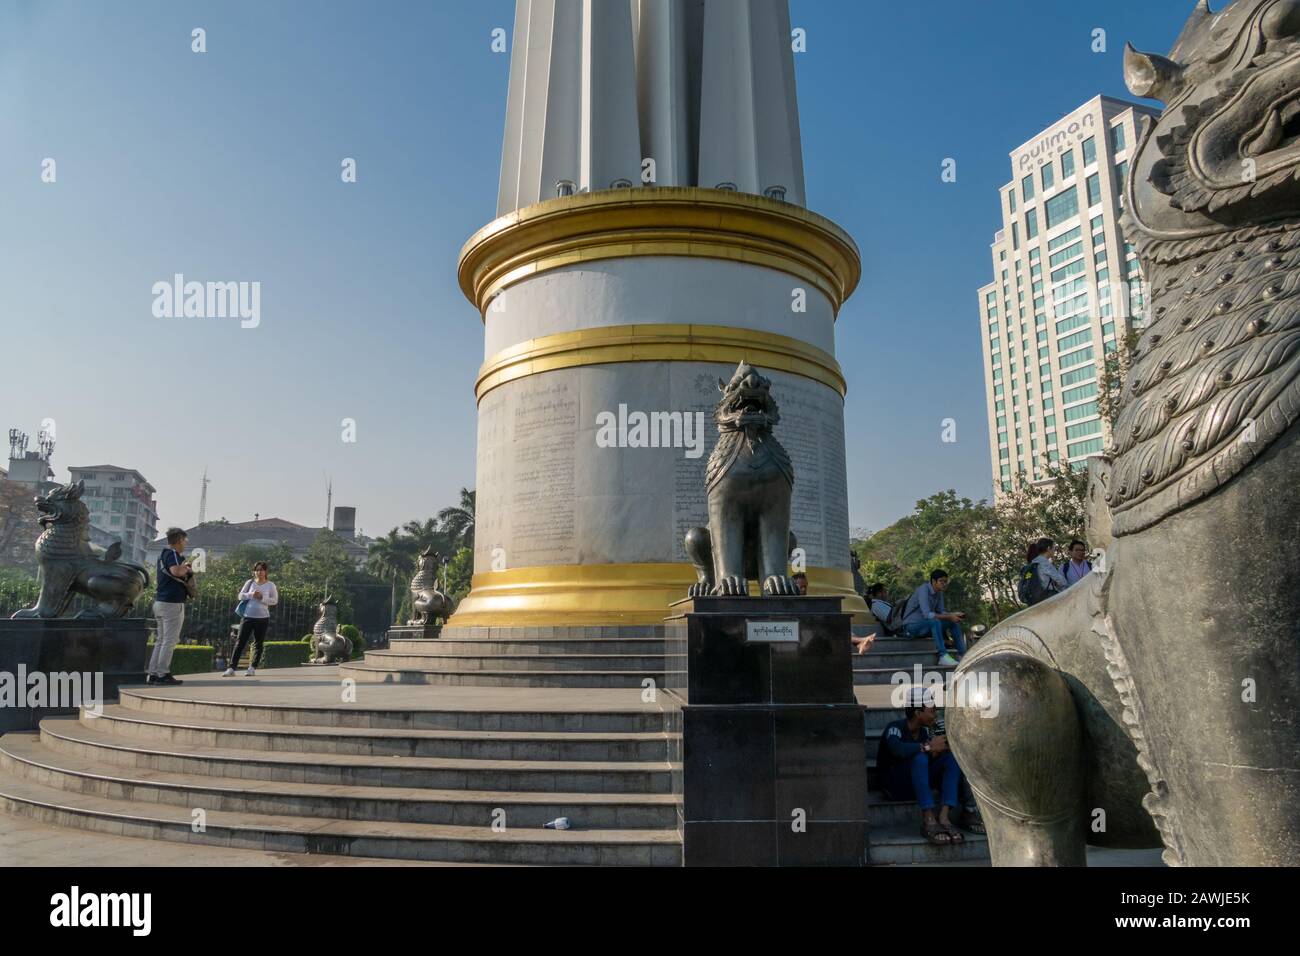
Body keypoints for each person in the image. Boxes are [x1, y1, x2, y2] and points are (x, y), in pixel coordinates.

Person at [876, 688, 983, 845]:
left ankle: (944, 817)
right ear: (918, 713)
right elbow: (897, 749)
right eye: (932, 711)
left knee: (951, 759)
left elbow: (933, 755)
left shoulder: (925, 733)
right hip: (895, 788)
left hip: (918, 786)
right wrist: (927, 747)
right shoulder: (895, 728)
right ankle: (928, 819)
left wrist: (942, 748)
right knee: (920, 758)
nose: (935, 715)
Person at [148, 527, 193, 686]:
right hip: (172, 603)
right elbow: (176, 571)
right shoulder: (173, 554)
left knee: (161, 640)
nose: (186, 543)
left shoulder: (163, 555)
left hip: (160, 602)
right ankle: (163, 674)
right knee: (169, 640)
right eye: (185, 540)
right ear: (179, 540)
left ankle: (153, 674)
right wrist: (187, 568)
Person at [225, 561, 279, 677]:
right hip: (247, 617)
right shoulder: (249, 583)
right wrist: (251, 594)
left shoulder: (271, 585)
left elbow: (274, 600)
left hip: (263, 618)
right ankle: (231, 668)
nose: (259, 572)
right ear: (254, 572)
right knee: (240, 642)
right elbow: (240, 596)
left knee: (258, 643)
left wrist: (262, 598)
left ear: (266, 571)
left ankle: (252, 667)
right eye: (257, 570)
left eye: (262, 570)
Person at [901, 570, 966, 665]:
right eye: (941, 581)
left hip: (926, 625)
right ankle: (943, 656)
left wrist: (953, 614)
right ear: (933, 581)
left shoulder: (939, 593)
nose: (944, 584)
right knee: (935, 621)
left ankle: (962, 655)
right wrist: (949, 616)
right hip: (911, 627)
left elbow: (941, 612)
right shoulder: (923, 590)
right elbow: (927, 614)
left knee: (953, 622)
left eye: (945, 581)